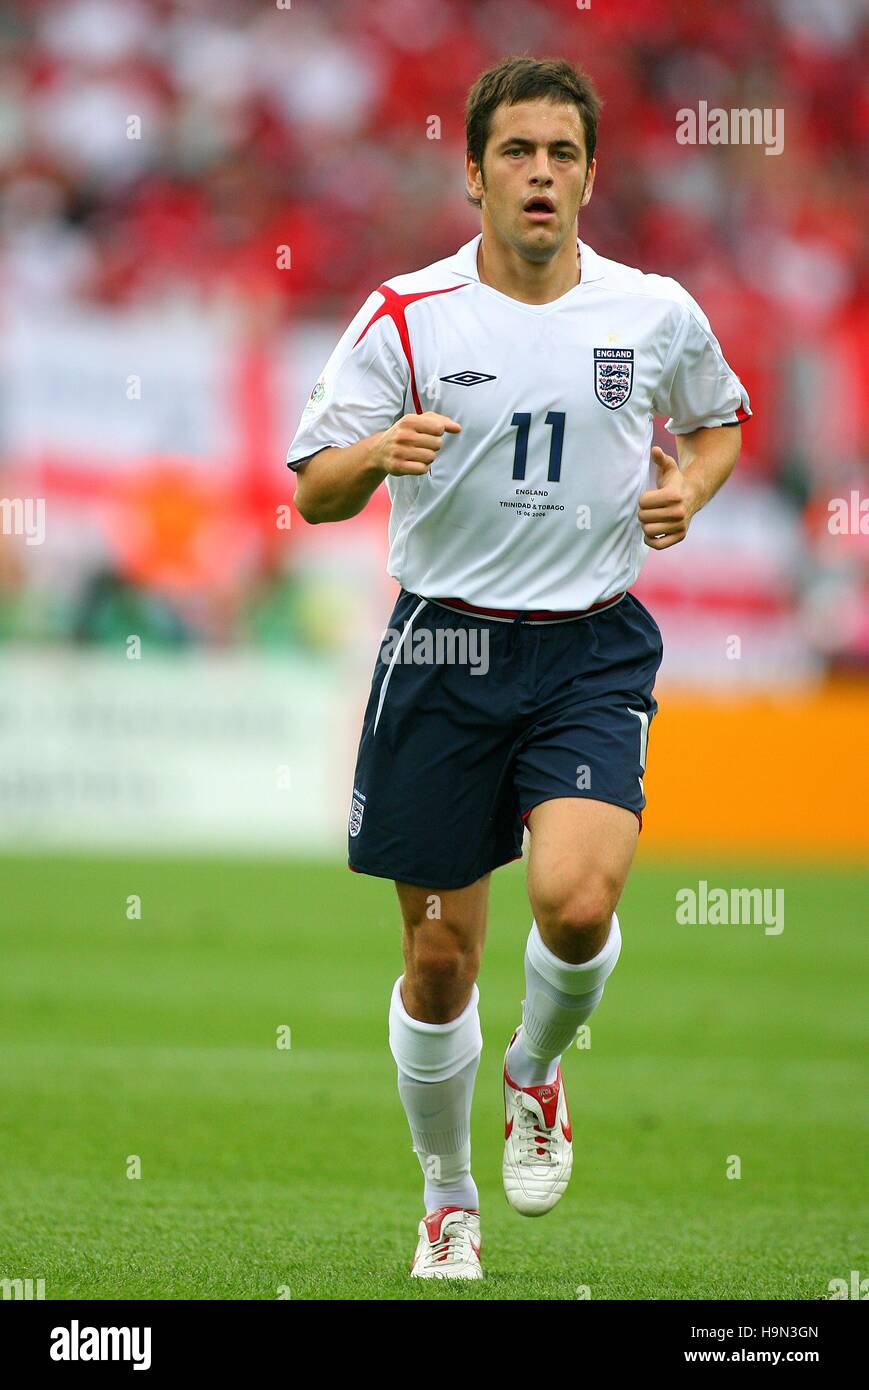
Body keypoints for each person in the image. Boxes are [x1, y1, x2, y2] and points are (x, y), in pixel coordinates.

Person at [286, 55, 750, 1280]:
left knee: (579, 899)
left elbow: (716, 423)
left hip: (590, 644)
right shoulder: (404, 315)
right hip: (442, 644)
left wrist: (684, 492)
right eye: (515, 152)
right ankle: (447, 1196)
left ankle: (535, 1073)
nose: (538, 173)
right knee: (439, 961)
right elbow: (313, 493)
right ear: (474, 171)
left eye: (559, 153)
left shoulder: (651, 310)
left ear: (590, 176)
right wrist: (382, 449)